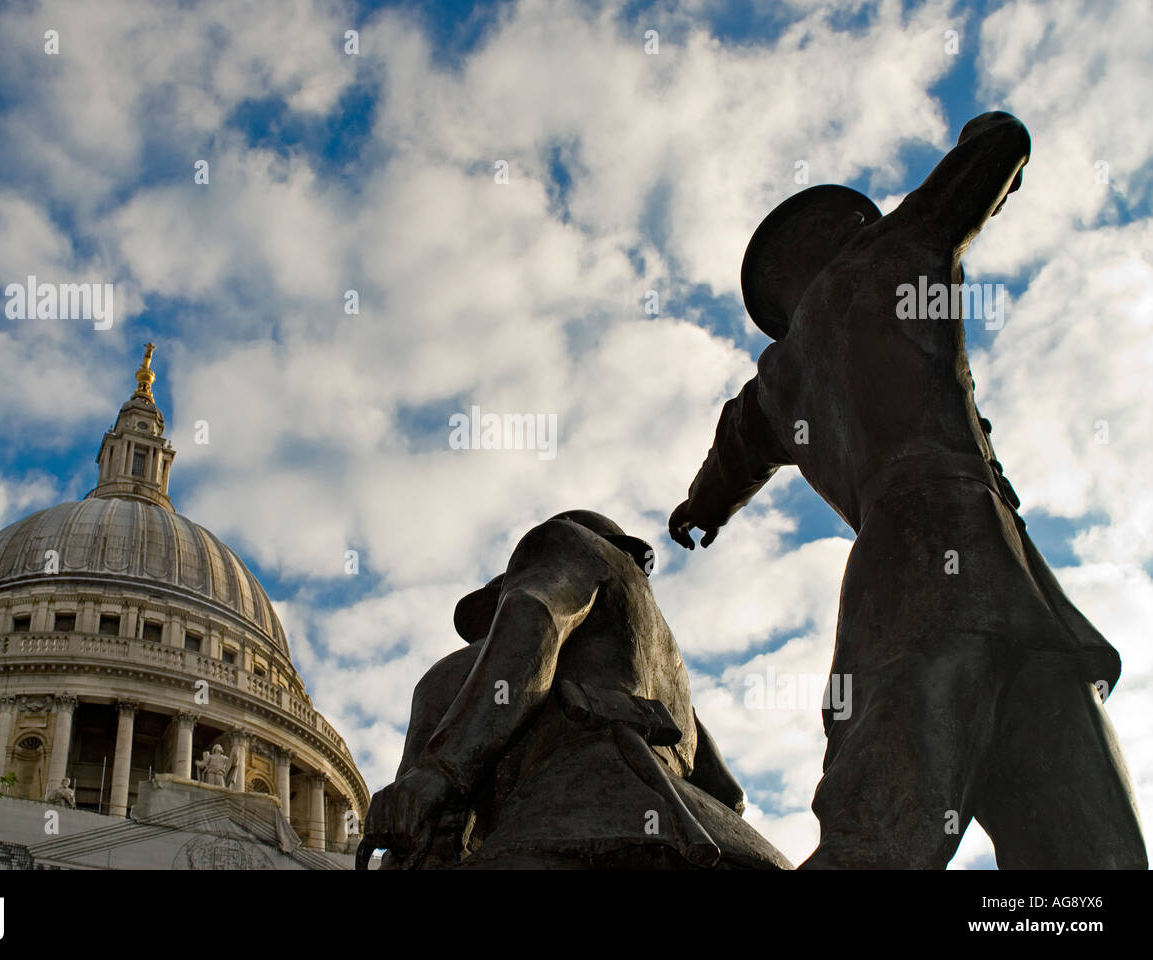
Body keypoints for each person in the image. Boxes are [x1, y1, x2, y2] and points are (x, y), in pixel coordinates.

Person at [668, 112, 1146, 868]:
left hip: (911, 583)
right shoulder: (897, 248)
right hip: (987, 570)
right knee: (1077, 861)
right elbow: (1000, 147)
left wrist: (699, 513)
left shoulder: (773, 387)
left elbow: (724, 470)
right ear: (845, 226)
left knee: (889, 826)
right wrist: (989, 133)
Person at [358, 510, 790, 870]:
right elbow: (730, 795)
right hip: (725, 845)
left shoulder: (565, 544)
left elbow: (535, 618)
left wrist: (440, 772)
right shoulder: (667, 661)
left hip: (575, 830)